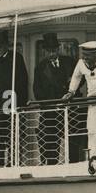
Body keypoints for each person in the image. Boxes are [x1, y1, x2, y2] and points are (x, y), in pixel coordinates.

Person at [0, 28, 29, 166]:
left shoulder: (16, 58)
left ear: (6, 45)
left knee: (14, 136)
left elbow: (23, 81)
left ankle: (14, 163)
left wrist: (22, 102)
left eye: (1, 45)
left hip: (13, 104)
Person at [32, 32, 73, 164]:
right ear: (45, 51)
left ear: (58, 49)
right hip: (50, 113)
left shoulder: (69, 62)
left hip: (69, 109)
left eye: (53, 50)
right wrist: (50, 103)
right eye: (48, 51)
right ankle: (51, 166)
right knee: (50, 145)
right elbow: (37, 90)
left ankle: (74, 166)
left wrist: (69, 90)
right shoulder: (40, 68)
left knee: (73, 141)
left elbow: (79, 80)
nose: (51, 53)